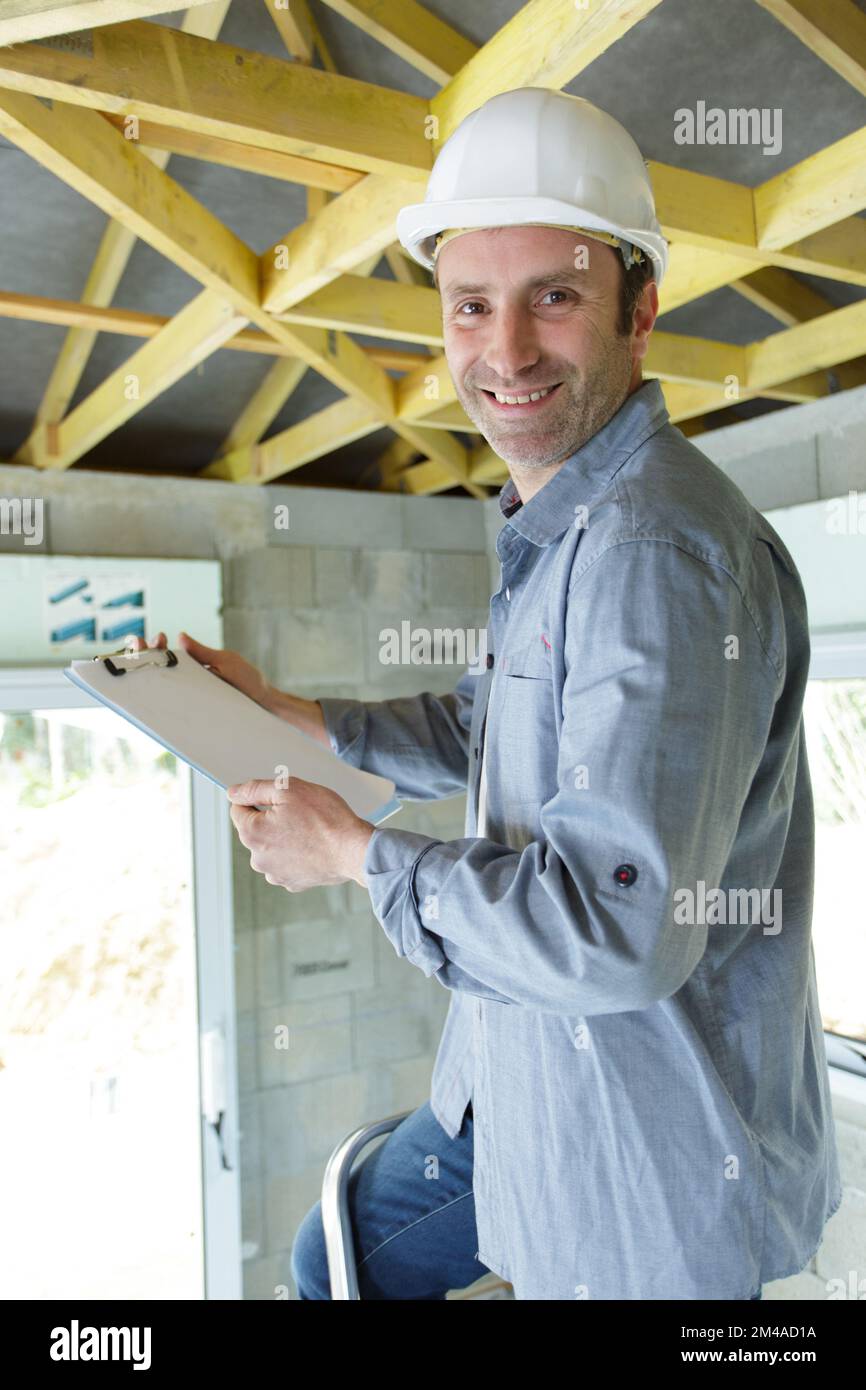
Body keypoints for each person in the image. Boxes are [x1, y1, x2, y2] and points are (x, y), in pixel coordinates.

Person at [136, 87, 841, 1300]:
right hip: (519, 1079)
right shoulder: (567, 524)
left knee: (333, 1261)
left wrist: (359, 856)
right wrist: (291, 711)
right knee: (337, 1251)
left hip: (640, 1144)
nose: (504, 352)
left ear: (642, 310)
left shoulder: (648, 554)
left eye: (553, 298)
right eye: (472, 304)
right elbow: (489, 726)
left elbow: (613, 934)